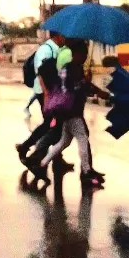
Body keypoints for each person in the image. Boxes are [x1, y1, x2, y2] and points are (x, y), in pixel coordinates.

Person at [37, 40, 109, 191]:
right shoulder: (68, 69)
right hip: (71, 111)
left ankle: (43, 162)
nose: (85, 56)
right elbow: (68, 90)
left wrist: (96, 90)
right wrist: (85, 83)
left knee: (64, 142)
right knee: (82, 139)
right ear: (76, 54)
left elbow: (82, 87)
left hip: (72, 110)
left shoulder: (76, 68)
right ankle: (87, 171)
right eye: (83, 53)